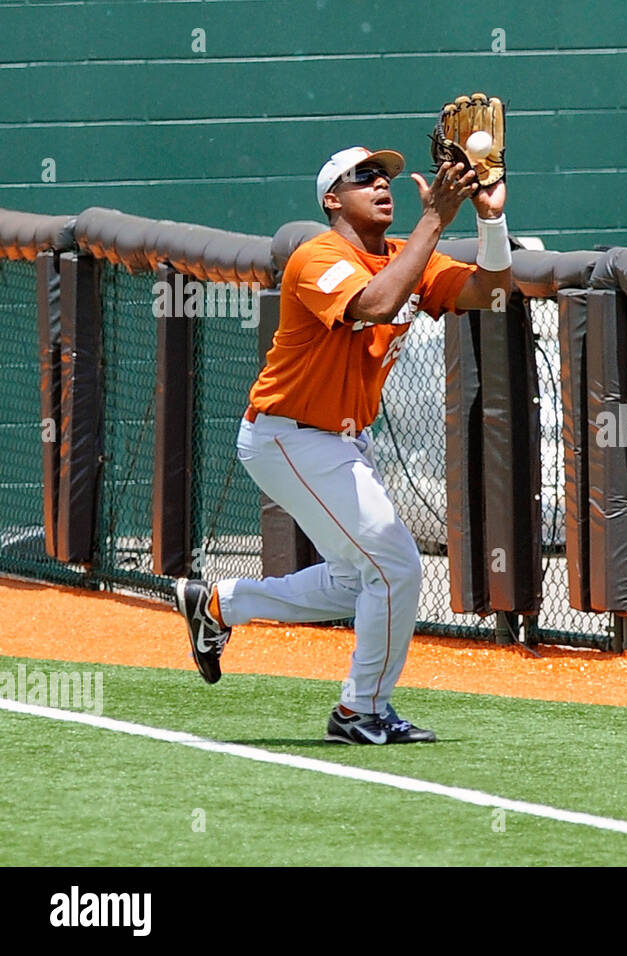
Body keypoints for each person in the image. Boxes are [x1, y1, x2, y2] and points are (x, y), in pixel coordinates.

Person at [173, 144, 511, 744]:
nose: (382, 184)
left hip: (341, 440)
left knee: (357, 580)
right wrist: (435, 221)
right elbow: (375, 303)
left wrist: (489, 218)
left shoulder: (408, 254)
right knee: (397, 566)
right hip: (288, 435)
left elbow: (493, 294)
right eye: (364, 177)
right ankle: (361, 712)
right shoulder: (317, 256)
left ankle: (221, 603)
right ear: (333, 199)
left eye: (386, 176)